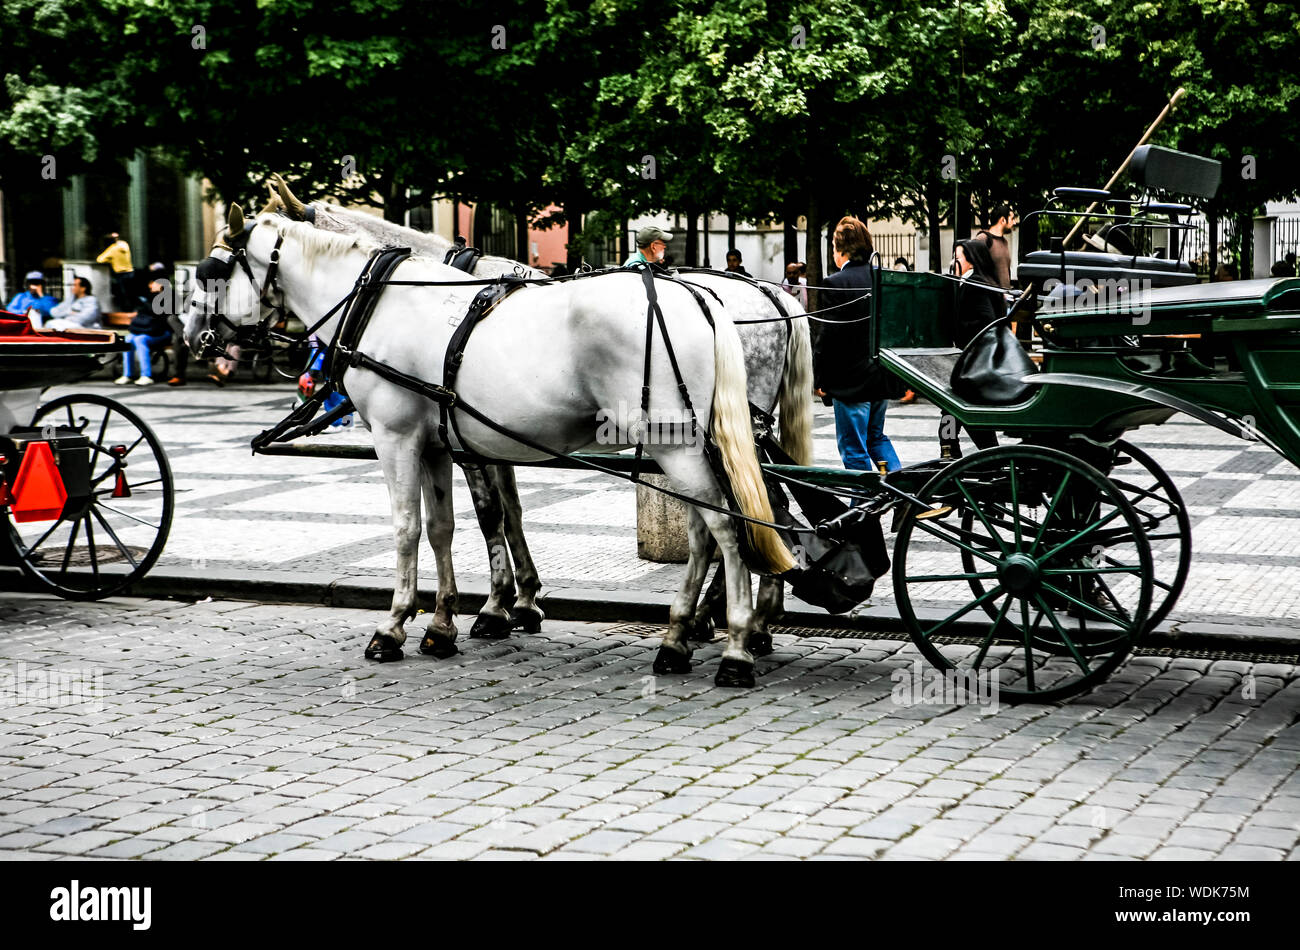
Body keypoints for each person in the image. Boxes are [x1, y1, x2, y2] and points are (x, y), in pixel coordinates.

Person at [814, 216, 904, 473]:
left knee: (854, 450)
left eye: (833, 247)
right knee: (876, 439)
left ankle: (866, 510)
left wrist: (819, 378)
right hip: (881, 377)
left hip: (850, 383)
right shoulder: (882, 277)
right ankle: (904, 493)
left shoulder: (836, 283)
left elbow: (827, 337)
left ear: (840, 250)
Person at [942, 238, 1006, 458]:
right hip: (974, 368)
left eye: (958, 257)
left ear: (970, 261)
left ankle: (957, 461)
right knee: (950, 417)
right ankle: (950, 457)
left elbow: (985, 322)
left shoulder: (974, 285)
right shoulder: (982, 282)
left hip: (972, 368)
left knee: (967, 423)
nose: (954, 262)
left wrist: (959, 332)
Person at [115, 274, 171, 386]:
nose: (150, 286)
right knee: (128, 339)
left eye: (153, 283)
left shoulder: (170, 298)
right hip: (147, 331)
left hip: (162, 333)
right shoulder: (148, 297)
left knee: (140, 340)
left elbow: (161, 317)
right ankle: (127, 374)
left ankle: (146, 375)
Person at [976, 204, 1016, 291]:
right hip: (989, 299)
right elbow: (978, 272)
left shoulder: (1004, 242)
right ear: (1002, 220)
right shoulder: (983, 239)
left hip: (1005, 298)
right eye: (1012, 219)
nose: (1014, 222)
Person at [96, 231, 136, 311]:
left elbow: (99, 259)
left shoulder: (112, 249)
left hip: (120, 274)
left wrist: (110, 260)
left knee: (123, 295)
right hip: (130, 271)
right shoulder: (124, 244)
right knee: (131, 294)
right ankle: (133, 311)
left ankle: (126, 312)